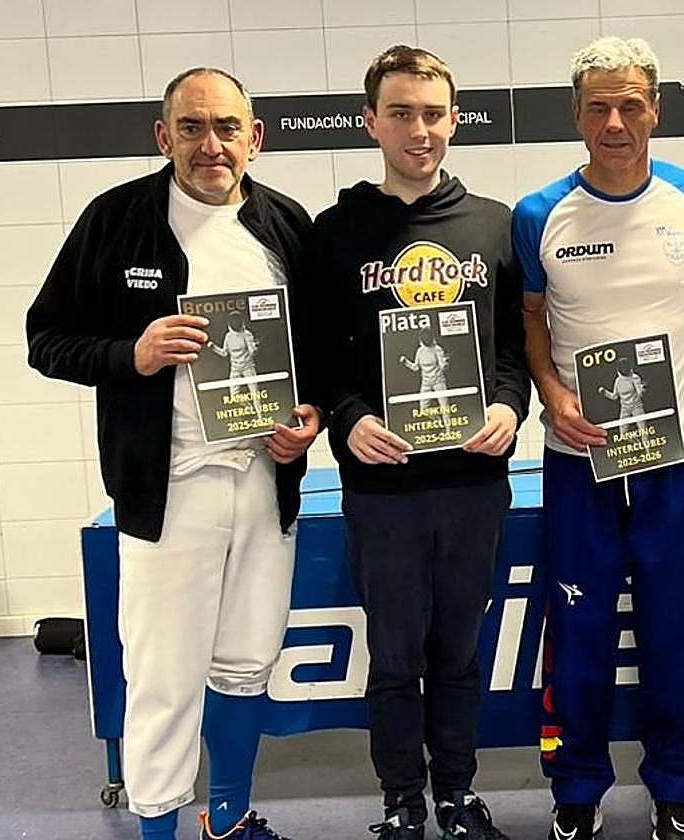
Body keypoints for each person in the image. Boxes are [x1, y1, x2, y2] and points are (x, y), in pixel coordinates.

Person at [26, 67, 320, 840]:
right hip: (168, 494)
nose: (210, 145)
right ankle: (159, 831)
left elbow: (321, 354)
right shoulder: (116, 220)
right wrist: (133, 354)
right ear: (164, 137)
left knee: (247, 663)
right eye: (191, 127)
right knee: (162, 681)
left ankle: (228, 816)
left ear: (255, 138)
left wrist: (311, 416)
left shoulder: (285, 225)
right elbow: (46, 340)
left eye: (227, 127)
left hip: (265, 483)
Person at [301, 45, 529, 840]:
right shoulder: (335, 232)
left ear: (455, 120)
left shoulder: (494, 225)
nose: (418, 130)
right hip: (383, 487)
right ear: (371, 122)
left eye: (432, 114)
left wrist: (509, 407)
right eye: (401, 113)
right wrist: (349, 416)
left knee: (458, 654)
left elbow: (514, 350)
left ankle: (457, 796)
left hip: (472, 479)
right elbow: (317, 356)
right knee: (396, 658)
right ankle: (401, 800)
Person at [513, 36, 684, 840]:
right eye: (598, 106)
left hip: (671, 456)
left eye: (630, 104)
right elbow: (532, 322)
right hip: (578, 461)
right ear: (576, 115)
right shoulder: (539, 214)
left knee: (677, 629)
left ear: (655, 110)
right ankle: (575, 786)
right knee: (578, 631)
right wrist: (554, 393)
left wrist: (671, 361)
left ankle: (677, 785)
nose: (614, 122)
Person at [210, 309, 263, 421]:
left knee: (255, 392)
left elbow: (252, 352)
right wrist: (213, 347)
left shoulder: (247, 334)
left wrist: (255, 348)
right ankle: (249, 407)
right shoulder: (228, 336)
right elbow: (224, 353)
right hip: (235, 368)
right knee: (234, 396)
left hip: (248, 367)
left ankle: (260, 417)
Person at [597, 357, 648, 437]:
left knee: (643, 430)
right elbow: (614, 397)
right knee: (623, 434)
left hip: (637, 407)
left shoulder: (635, 377)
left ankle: (647, 445)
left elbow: (640, 393)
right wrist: (605, 392)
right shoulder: (618, 381)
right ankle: (636, 443)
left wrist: (642, 388)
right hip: (625, 409)